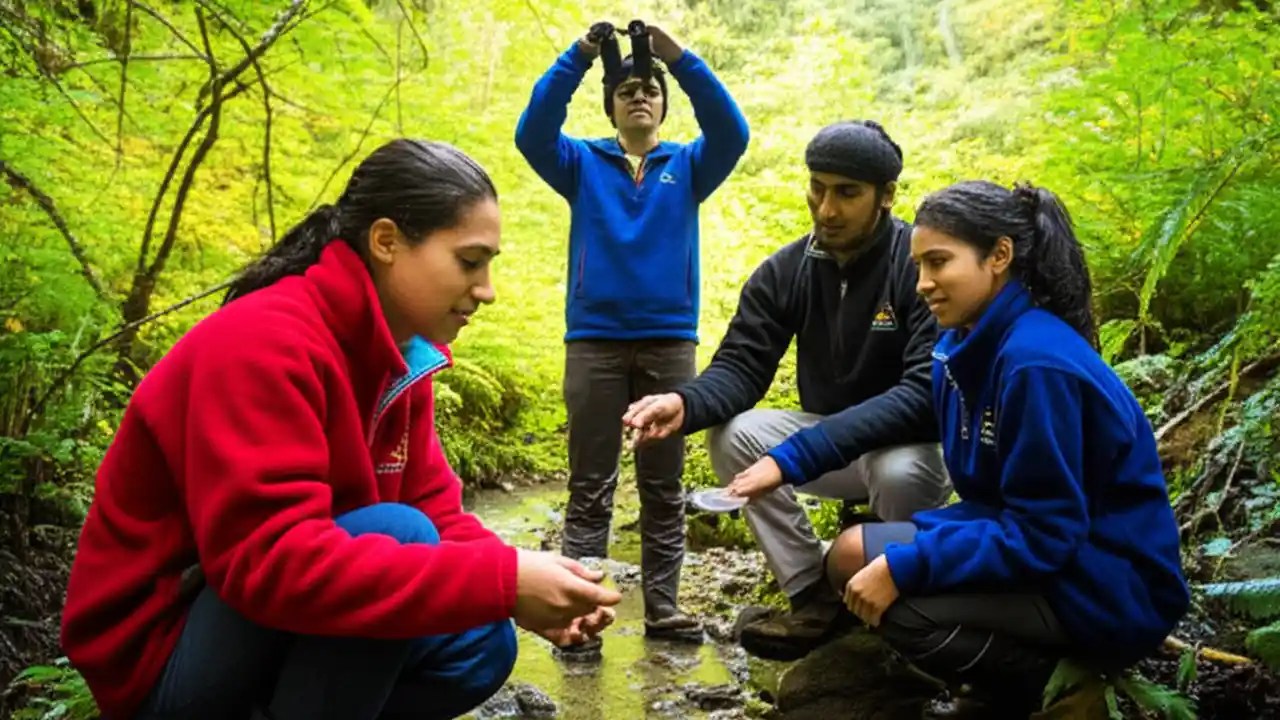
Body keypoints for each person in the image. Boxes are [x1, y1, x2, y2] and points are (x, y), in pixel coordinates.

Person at [60, 139, 622, 720]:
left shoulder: (399, 356)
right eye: (468, 261)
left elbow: (436, 511)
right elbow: (269, 562)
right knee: (398, 534)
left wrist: (529, 586)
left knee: (480, 642)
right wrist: (502, 580)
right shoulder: (265, 341)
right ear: (386, 243)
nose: (486, 290)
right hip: (159, 658)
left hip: (258, 625)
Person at [824, 180, 1190, 717]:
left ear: (999, 256)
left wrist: (907, 567)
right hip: (1049, 551)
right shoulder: (962, 348)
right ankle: (993, 672)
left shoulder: (1035, 364)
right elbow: (998, 504)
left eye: (939, 263)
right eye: (918, 265)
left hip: (1104, 583)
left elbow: (1046, 534)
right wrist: (910, 555)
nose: (923, 283)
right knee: (849, 556)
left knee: (901, 605)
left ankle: (1054, 689)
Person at [624, 120, 950, 661]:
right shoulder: (787, 271)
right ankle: (813, 593)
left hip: (906, 442)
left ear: (886, 197)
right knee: (734, 436)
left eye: (847, 193)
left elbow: (924, 396)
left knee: (900, 469)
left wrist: (803, 453)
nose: (826, 209)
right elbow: (741, 367)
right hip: (829, 442)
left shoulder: (917, 269)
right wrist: (684, 402)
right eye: (818, 188)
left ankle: (900, 612)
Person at [514, 21, 749, 644]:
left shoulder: (690, 166)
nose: (639, 96)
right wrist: (581, 55)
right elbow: (531, 132)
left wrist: (675, 54)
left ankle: (664, 610)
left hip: (670, 343)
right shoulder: (581, 163)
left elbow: (732, 130)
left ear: (664, 104)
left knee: (663, 484)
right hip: (592, 342)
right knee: (590, 485)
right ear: (612, 106)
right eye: (626, 91)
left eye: (649, 89)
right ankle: (580, 616)